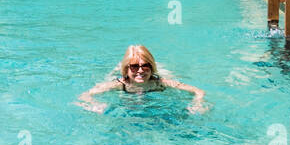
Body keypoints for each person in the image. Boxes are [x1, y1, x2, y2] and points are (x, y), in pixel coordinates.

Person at [78, 45, 207, 114]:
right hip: (122, 78)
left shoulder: (161, 83)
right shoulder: (118, 85)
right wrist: (96, 105)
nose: (140, 70)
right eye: (134, 66)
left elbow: (199, 91)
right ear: (127, 69)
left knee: (166, 74)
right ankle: (117, 68)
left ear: (151, 67)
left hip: (155, 80)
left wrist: (197, 103)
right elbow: (84, 96)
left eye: (145, 66)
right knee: (109, 76)